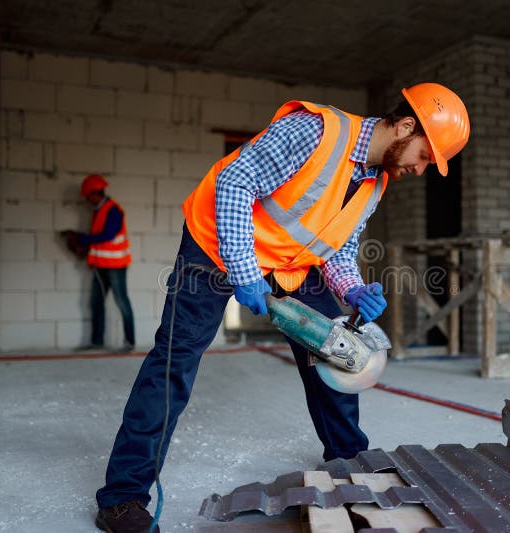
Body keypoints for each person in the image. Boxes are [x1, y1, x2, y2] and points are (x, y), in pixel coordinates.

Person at [94, 83, 470, 533]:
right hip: (215, 245)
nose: (422, 168)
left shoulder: (376, 181)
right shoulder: (315, 132)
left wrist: (351, 289)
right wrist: (244, 269)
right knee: (175, 361)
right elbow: (233, 185)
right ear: (406, 126)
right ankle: (121, 498)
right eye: (426, 155)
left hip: (290, 262)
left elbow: (338, 248)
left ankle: (350, 460)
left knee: (335, 348)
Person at [71, 174, 135, 353]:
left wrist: (84, 239)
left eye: (87, 195)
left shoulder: (114, 210)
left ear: (94, 193)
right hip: (100, 265)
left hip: (116, 266)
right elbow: (100, 237)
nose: (86, 199)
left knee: (122, 302)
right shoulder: (98, 210)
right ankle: (97, 341)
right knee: (95, 302)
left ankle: (130, 342)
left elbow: (109, 235)